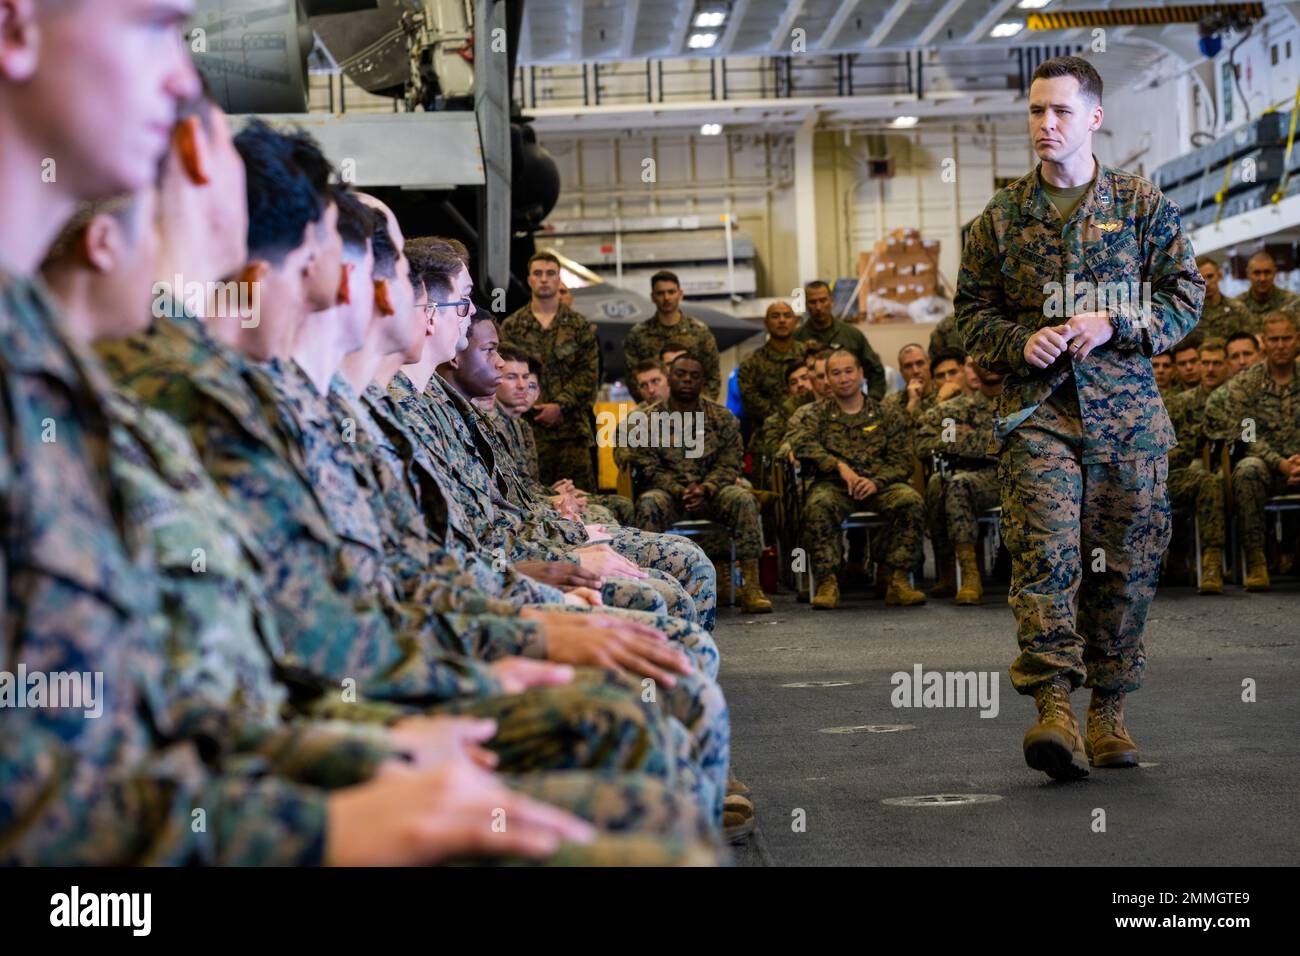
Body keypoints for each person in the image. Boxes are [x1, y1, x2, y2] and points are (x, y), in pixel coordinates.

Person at [955, 55, 1202, 780]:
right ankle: (1055, 706)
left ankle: (1109, 708)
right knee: (1045, 557)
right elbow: (971, 317)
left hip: (1126, 420)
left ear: (1094, 117)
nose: (1046, 124)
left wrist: (1116, 322)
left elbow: (1186, 297)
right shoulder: (999, 220)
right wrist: (1015, 340)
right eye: (1035, 111)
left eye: (1061, 111)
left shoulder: (1141, 204)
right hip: (1039, 414)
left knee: (1125, 567)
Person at [630, 355, 773, 614]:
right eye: (680, 374)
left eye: (694, 376)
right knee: (648, 502)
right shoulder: (649, 420)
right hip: (669, 494)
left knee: (743, 499)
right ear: (669, 376)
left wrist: (706, 488)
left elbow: (730, 463)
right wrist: (678, 490)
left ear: (703, 381)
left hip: (712, 493)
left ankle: (751, 586)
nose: (686, 380)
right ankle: (652, 587)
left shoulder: (722, 417)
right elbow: (647, 466)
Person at [794, 350, 928, 610]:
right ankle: (827, 581)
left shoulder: (885, 413)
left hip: (880, 485)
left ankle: (897, 579)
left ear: (860, 374)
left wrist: (877, 481)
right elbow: (801, 442)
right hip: (835, 485)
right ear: (827, 380)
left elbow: (901, 460)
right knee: (818, 504)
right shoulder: (815, 414)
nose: (843, 378)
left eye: (848, 371)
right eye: (835, 373)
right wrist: (839, 466)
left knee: (910, 501)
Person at [1204, 312, 1300, 591]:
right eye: (1274, 339)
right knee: (1246, 470)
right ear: (1264, 344)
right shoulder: (1245, 383)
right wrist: (1281, 463)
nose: (1280, 345)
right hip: (1268, 466)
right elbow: (1247, 435)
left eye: (1286, 338)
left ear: (1296, 341)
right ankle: (1256, 559)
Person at [500, 252, 599, 488]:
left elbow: (588, 376)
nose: (544, 279)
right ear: (529, 280)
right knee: (529, 500)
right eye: (538, 273)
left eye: (550, 273)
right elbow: (502, 375)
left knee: (583, 506)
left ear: (558, 279)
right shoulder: (512, 326)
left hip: (571, 434)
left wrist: (560, 406)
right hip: (524, 433)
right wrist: (529, 406)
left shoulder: (579, 326)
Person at [916, 363, 1004, 604]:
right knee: (945, 482)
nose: (990, 364)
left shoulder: (1025, 402)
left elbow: (1023, 443)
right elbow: (923, 444)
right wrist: (988, 443)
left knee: (958, 483)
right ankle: (961, 573)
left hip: (1016, 477)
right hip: (974, 479)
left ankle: (971, 574)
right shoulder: (959, 408)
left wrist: (964, 438)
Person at [1164, 338, 1231, 594]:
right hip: (1181, 472)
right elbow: (1172, 452)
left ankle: (1215, 562)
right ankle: (1191, 561)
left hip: (1230, 467)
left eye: (1217, 363)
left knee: (1218, 478)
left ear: (1227, 365)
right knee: (1202, 479)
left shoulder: (1235, 398)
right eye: (1205, 363)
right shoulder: (1180, 403)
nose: (1210, 369)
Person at [623, 270, 722, 400]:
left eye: (671, 292)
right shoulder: (637, 336)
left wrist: (697, 408)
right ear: (653, 297)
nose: (666, 298)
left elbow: (712, 377)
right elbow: (633, 380)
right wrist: (653, 407)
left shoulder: (700, 333)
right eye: (660, 293)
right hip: (655, 411)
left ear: (680, 294)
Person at [794, 279, 886, 398]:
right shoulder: (797, 338)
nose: (818, 307)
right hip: (810, 407)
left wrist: (872, 401)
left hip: (849, 404)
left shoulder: (851, 334)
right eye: (813, 302)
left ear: (831, 300)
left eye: (823, 300)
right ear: (806, 305)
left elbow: (875, 371)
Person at [737, 300, 806, 437]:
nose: (782, 320)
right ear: (766, 323)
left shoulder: (808, 356)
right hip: (767, 436)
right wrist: (785, 416)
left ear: (795, 322)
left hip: (808, 430)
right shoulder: (751, 362)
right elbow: (751, 402)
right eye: (775, 316)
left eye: (787, 316)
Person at [1196, 256, 1256, 340]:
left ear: (1219, 275)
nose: (1206, 283)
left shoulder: (1237, 309)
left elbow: (1251, 340)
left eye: (1210, 276)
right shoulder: (1190, 315)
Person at [1232, 250, 1299, 322]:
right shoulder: (1236, 306)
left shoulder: (1293, 302)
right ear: (1248, 274)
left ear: (1275, 273)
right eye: (1257, 273)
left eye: (1267, 272)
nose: (1262, 279)